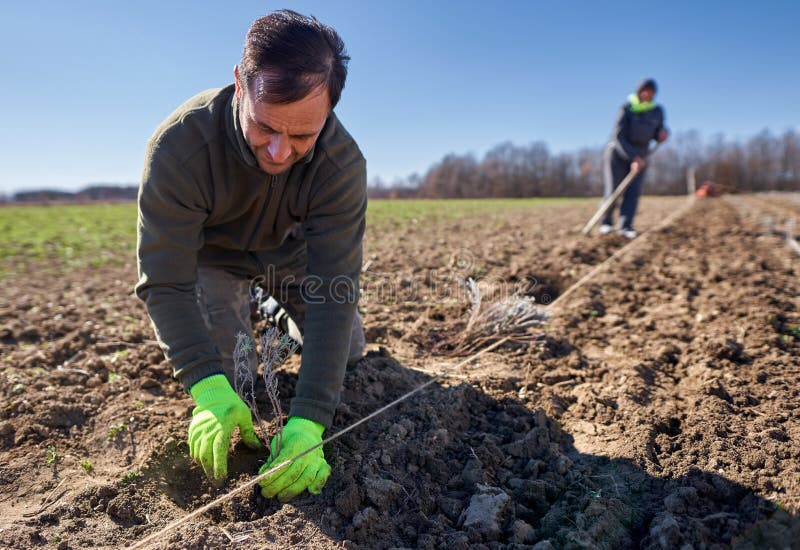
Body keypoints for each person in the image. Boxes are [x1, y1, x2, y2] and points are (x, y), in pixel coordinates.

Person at [135, 10, 366, 502]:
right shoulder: (179, 148)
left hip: (287, 254)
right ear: (240, 84)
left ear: (329, 111)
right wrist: (205, 387)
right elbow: (165, 282)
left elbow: (334, 293)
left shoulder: (341, 165)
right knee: (232, 375)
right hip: (212, 260)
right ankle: (240, 320)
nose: (280, 152)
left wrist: (309, 423)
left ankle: (272, 309)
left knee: (349, 351)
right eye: (265, 128)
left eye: (302, 136)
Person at [599, 78, 669, 238]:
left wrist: (663, 134)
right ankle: (606, 223)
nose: (648, 94)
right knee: (613, 189)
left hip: (642, 156)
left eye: (651, 92)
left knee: (633, 191)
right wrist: (632, 157)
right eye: (645, 90)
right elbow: (618, 136)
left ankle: (626, 226)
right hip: (618, 154)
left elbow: (660, 130)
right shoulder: (626, 108)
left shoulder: (657, 111)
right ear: (639, 91)